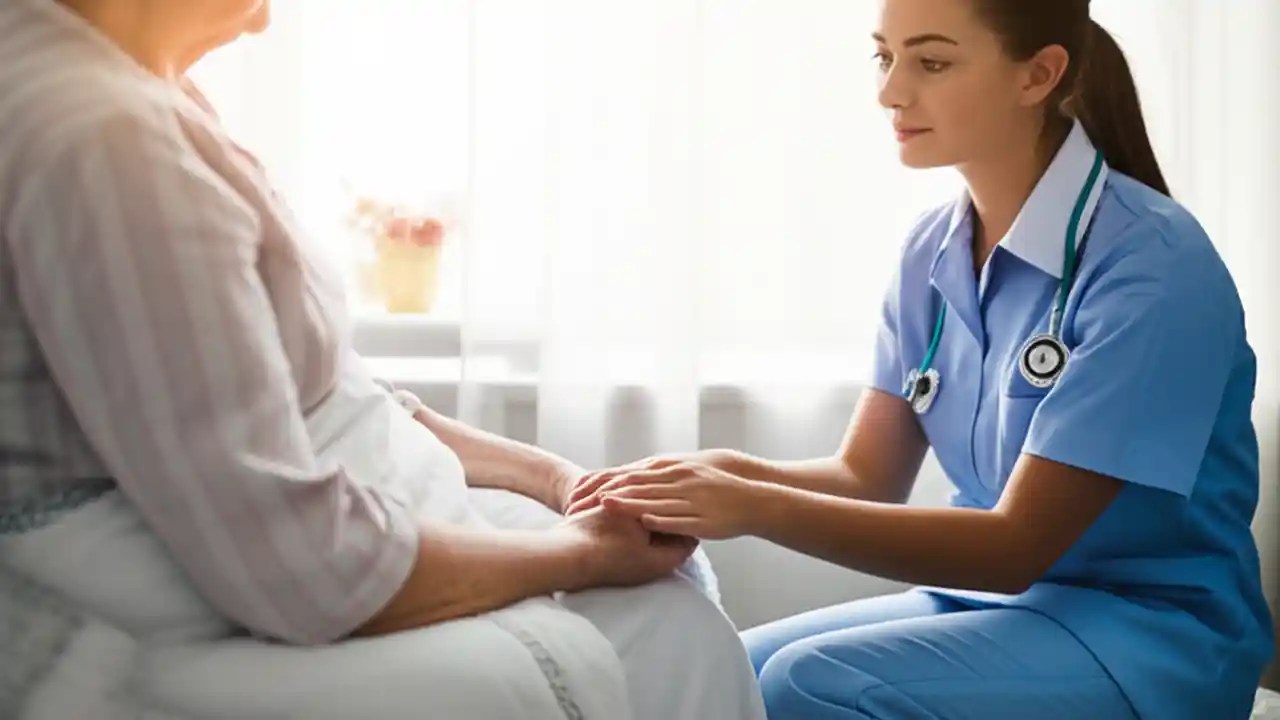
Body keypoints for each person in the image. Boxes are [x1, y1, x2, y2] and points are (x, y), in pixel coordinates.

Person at [0, 0, 765, 718]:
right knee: (671, 631)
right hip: (293, 572)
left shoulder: (142, 93)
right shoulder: (108, 139)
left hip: (368, 506)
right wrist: (580, 553)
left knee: (668, 614)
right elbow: (302, 568)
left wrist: (558, 480)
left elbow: (323, 389)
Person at [568, 0, 1274, 717]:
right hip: (1000, 606)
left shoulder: (1152, 266)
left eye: (931, 63)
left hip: (1149, 635)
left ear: (1038, 75)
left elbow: (1015, 546)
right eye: (886, 57)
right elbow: (866, 476)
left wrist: (751, 506)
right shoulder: (931, 251)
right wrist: (714, 473)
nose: (890, 92)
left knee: (808, 682)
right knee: (731, 670)